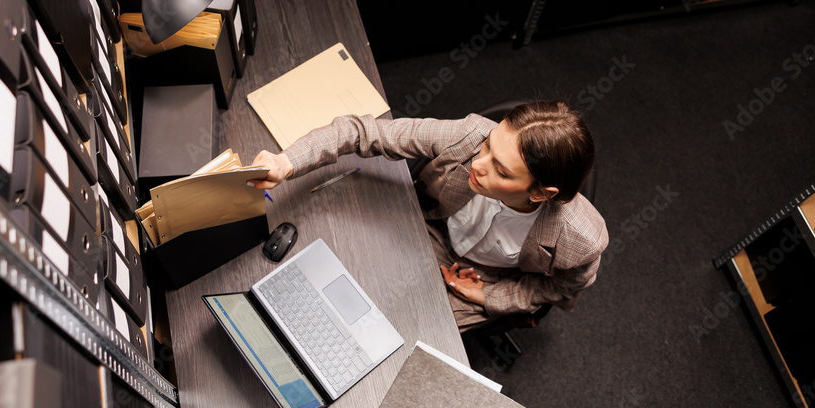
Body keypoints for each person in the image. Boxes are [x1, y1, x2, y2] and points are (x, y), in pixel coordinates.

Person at [249, 100, 607, 332]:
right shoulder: (469, 135)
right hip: (432, 229)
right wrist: (287, 162)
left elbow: (560, 288)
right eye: (488, 146)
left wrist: (492, 296)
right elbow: (362, 131)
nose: (477, 164)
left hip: (488, 277)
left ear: (540, 194)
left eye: (501, 170)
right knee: (340, 281)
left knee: (402, 343)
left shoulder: (581, 241)